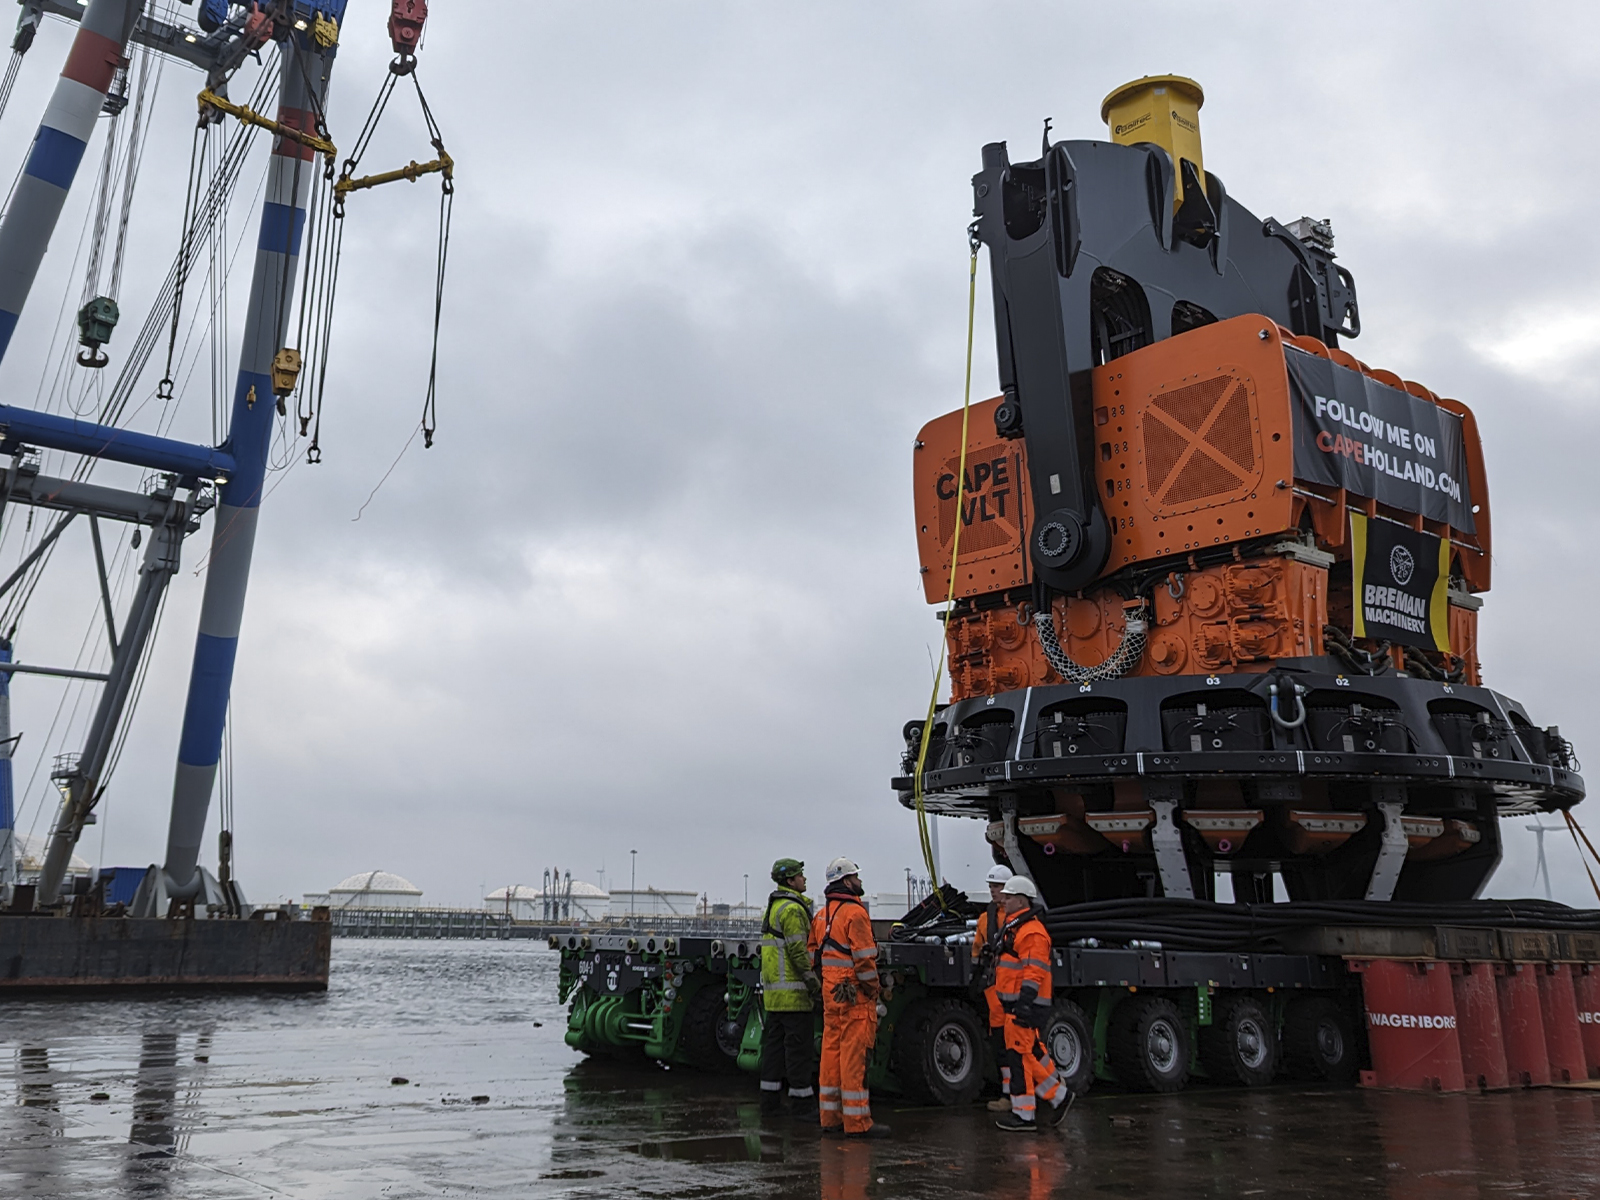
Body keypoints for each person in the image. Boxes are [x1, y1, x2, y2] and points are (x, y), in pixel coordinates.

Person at [810, 856, 889, 1138]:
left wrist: (827, 979)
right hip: (854, 996)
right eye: (856, 876)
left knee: (830, 1056)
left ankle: (830, 1119)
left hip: (831, 994)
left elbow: (812, 956)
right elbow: (865, 960)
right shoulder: (855, 914)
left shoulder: (822, 915)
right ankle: (857, 1124)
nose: (860, 881)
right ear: (846, 881)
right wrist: (873, 989)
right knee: (854, 1059)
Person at [992, 875, 1070, 1132]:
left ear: (1022, 900)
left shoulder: (1032, 932)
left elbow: (1033, 972)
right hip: (1015, 1005)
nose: (1004, 899)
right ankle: (1054, 1099)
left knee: (1020, 1057)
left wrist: (1024, 1003)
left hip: (1024, 1006)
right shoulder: (1016, 927)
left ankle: (1027, 1115)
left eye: (1009, 896)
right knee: (1022, 1055)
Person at [758, 857, 820, 1116]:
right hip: (794, 996)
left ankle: (770, 1103)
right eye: (800, 875)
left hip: (774, 997)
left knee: (773, 1050)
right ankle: (802, 1105)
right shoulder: (793, 910)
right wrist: (812, 981)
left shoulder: (774, 907)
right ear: (790, 880)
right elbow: (798, 951)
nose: (804, 879)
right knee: (798, 1052)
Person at [971, 863, 1014, 1111]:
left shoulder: (1017, 917)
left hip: (1012, 993)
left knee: (1016, 1046)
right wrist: (974, 977)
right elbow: (977, 952)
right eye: (991, 886)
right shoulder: (986, 919)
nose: (993, 891)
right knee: (1001, 1045)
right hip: (994, 993)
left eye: (996, 886)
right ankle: (1009, 1094)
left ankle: (1020, 1095)